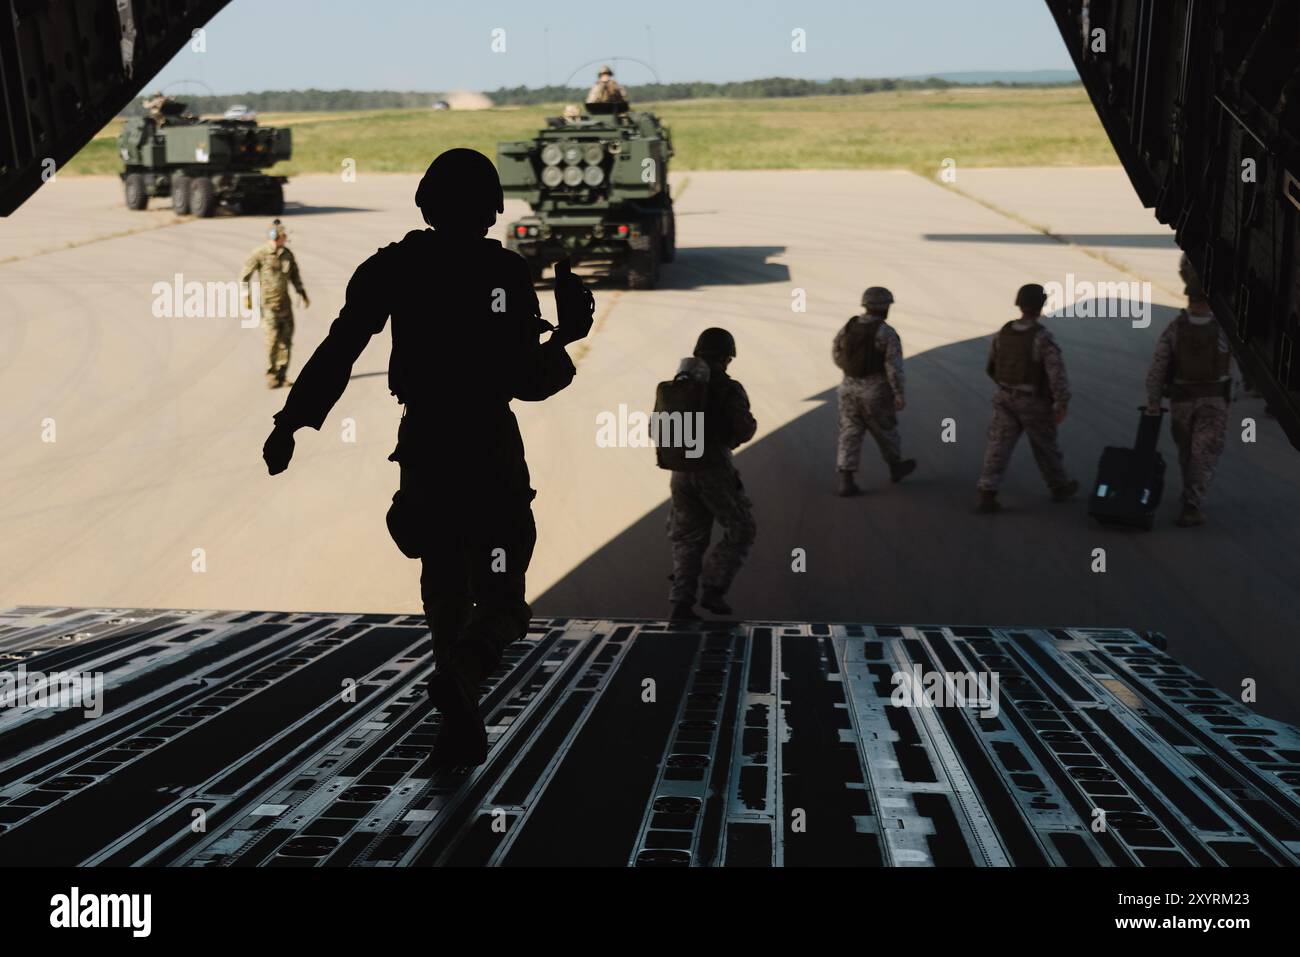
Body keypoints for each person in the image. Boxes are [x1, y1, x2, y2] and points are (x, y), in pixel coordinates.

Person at [261, 148, 595, 766]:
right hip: (488, 445)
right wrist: (568, 337)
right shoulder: (505, 275)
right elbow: (529, 380)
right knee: (501, 597)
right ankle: (465, 677)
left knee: (443, 583)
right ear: (492, 209)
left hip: (424, 447)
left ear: (426, 203)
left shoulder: (393, 268)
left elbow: (339, 350)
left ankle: (457, 716)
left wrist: (291, 422)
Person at [667, 328, 757, 620]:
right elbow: (744, 429)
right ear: (727, 357)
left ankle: (682, 602)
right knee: (741, 528)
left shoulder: (677, 387)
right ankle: (714, 588)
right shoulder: (728, 388)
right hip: (713, 470)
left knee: (689, 537)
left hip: (680, 471)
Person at [1144, 254, 1234, 526]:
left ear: (1188, 298)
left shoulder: (1174, 329)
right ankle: (1192, 505)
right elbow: (1236, 369)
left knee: (1187, 452)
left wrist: (1153, 401)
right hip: (1213, 401)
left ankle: (1189, 493)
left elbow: (1158, 368)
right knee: (1204, 453)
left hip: (1182, 401)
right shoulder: (1222, 330)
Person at [975, 283, 1078, 512]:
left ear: (1019, 304)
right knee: (1045, 446)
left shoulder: (1004, 332)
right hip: (1033, 402)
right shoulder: (1042, 338)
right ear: (1041, 306)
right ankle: (1059, 486)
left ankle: (987, 492)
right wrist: (1061, 402)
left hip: (1004, 396)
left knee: (998, 445)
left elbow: (991, 366)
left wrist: (1006, 387)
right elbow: (1056, 373)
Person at [832, 286, 916, 495]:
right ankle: (895, 467)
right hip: (875, 390)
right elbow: (893, 368)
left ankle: (846, 479)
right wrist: (898, 394)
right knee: (885, 430)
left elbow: (836, 352)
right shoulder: (886, 332)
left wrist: (851, 373)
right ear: (885, 307)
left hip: (848, 388)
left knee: (849, 432)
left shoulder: (850, 326)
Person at [242, 219, 309, 389]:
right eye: (283, 235)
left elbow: (295, 275)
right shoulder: (260, 254)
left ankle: (282, 374)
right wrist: (246, 296)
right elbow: (245, 275)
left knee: (286, 340)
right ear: (276, 236)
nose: (285, 238)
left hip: (285, 305)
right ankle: (271, 374)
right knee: (272, 340)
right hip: (269, 306)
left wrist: (302, 292)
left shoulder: (287, 254)